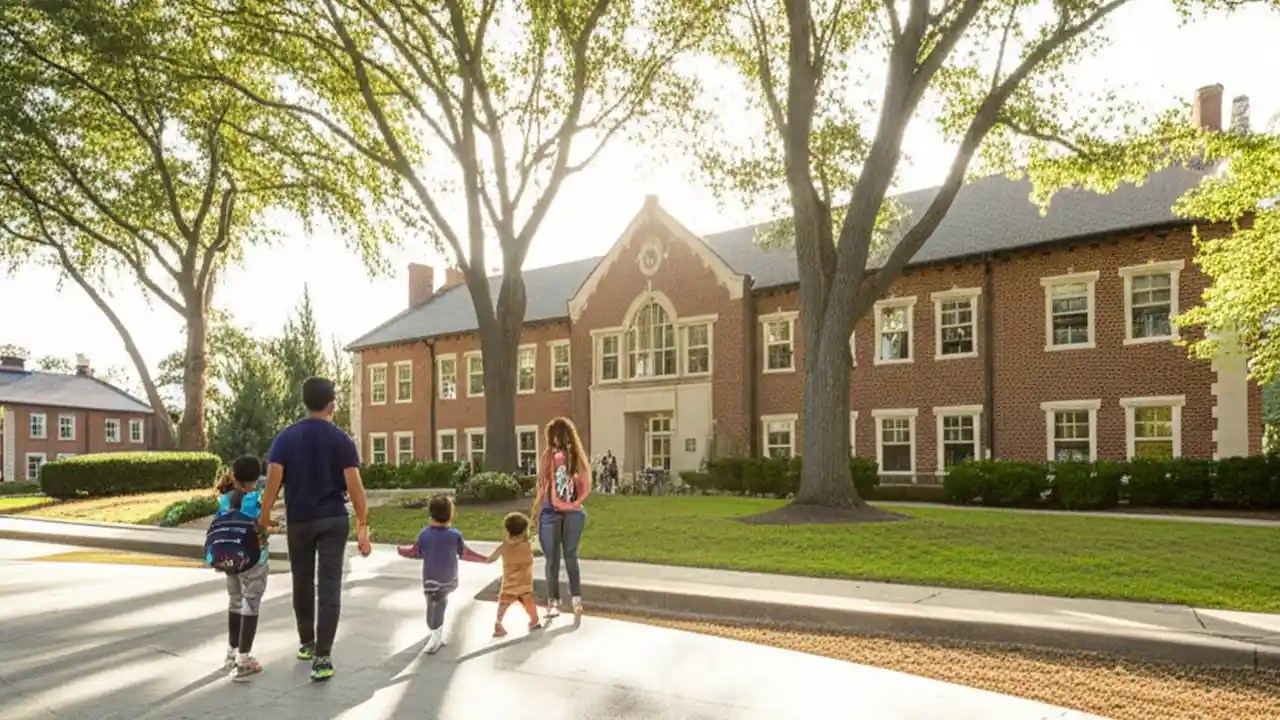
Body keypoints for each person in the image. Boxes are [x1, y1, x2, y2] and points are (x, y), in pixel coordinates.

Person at [259, 376, 372, 682]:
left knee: (303, 582)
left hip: (299, 520)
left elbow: (273, 481)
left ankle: (307, 644)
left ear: (305, 403)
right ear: (332, 405)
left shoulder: (285, 438)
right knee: (330, 584)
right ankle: (323, 658)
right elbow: (355, 488)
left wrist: (265, 515)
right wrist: (363, 525)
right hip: (334, 519)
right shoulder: (341, 440)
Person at [396, 494, 488, 654]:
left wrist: (400, 550)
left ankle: (435, 633)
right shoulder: (455, 535)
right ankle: (435, 632)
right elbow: (465, 553)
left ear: (431, 513)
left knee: (434, 603)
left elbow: (415, 552)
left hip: (430, 580)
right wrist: (485, 559)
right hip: (449, 579)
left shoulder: (425, 534)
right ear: (450, 514)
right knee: (438, 603)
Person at [211, 457, 269, 681]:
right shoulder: (257, 498)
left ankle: (232, 651)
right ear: (257, 477)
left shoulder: (224, 499)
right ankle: (244, 658)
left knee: (235, 600)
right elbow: (261, 524)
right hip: (254, 559)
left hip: (229, 558)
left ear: (233, 476)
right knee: (251, 602)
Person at [532, 417, 591, 623]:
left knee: (553, 559)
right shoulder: (577, 456)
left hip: (550, 510)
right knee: (570, 556)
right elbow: (585, 483)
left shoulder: (549, 455)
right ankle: (576, 600)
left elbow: (542, 483)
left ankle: (554, 602)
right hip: (574, 510)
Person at [485, 512, 541, 638]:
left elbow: (491, 558)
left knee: (503, 604)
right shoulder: (527, 545)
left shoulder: (504, 546)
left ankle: (498, 623)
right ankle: (534, 620)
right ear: (523, 531)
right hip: (524, 583)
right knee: (528, 602)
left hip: (509, 583)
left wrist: (484, 559)